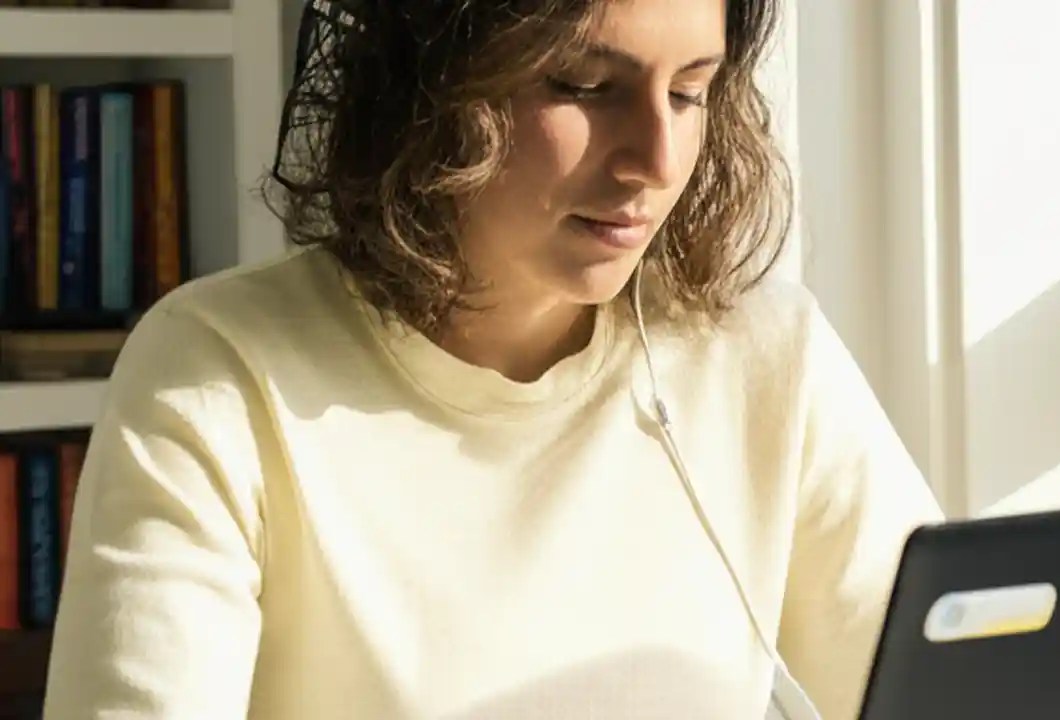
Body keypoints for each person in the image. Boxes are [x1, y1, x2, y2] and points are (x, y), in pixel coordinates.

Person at [42, 0, 942, 718]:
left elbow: (966, 677)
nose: (654, 161)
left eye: (689, 92)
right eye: (588, 85)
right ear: (432, 85)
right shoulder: (218, 375)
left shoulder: (763, 357)